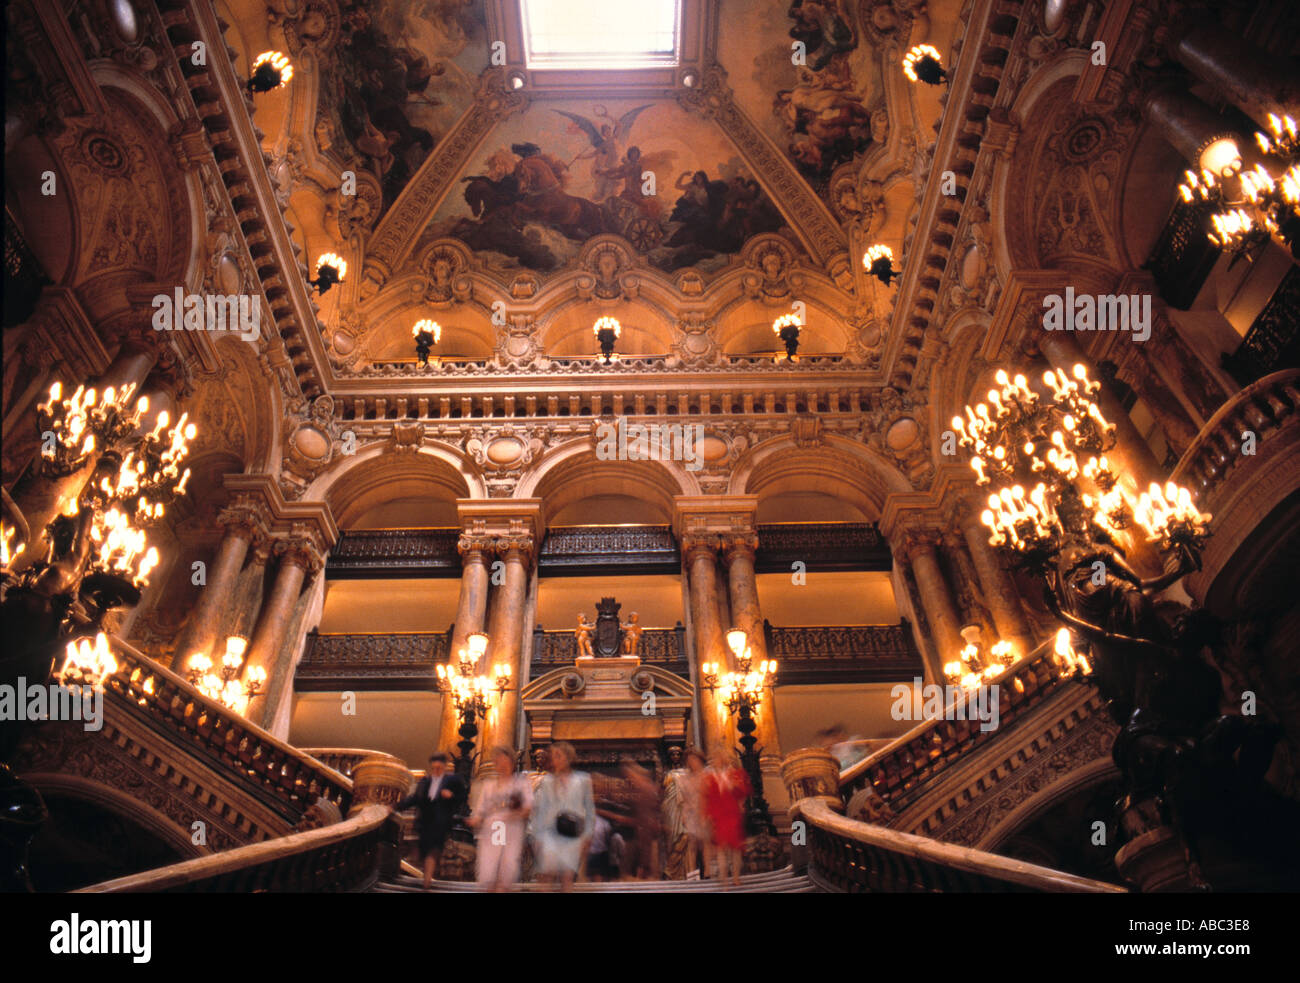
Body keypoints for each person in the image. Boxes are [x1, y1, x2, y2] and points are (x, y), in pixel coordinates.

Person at [393, 752, 466, 889]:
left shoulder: (452, 781)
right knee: (423, 851)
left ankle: (427, 882)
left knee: (433, 850)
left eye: (439, 768)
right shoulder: (424, 782)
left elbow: (462, 797)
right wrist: (396, 807)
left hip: (440, 822)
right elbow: (414, 799)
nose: (436, 771)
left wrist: (451, 796)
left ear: (444, 767)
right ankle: (424, 876)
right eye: (434, 768)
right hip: (425, 822)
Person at [529, 741, 595, 891]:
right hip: (549, 832)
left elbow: (589, 810)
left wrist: (588, 835)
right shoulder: (547, 781)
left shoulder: (583, 780)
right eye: (553, 756)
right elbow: (541, 811)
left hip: (572, 834)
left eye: (558, 755)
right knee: (546, 875)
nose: (555, 759)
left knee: (567, 877)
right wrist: (536, 836)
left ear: (568, 757)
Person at [468, 745, 532, 892]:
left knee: (506, 866)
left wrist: (513, 814)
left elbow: (528, 808)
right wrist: (476, 819)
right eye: (498, 762)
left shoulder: (521, 783)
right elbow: (480, 810)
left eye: (505, 761)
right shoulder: (489, 785)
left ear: (512, 762)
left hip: (512, 828)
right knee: (491, 868)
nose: (502, 765)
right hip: (495, 828)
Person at [703, 749, 751, 888]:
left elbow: (742, 792)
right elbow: (707, 798)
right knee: (721, 848)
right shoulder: (710, 778)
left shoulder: (734, 775)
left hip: (732, 812)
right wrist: (707, 816)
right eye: (713, 759)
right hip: (718, 814)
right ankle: (724, 881)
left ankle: (735, 877)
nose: (715, 761)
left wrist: (736, 790)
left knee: (735, 848)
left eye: (717, 758)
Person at [622, 761, 662, 879]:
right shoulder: (642, 788)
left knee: (645, 854)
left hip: (646, 827)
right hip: (642, 827)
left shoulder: (646, 787)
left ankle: (644, 876)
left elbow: (650, 810)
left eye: (630, 774)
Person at [676, 748, 711, 878]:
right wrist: (684, 815)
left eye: (694, 759)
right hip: (691, 812)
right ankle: (692, 872)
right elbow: (684, 799)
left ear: (700, 759)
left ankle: (707, 871)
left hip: (705, 811)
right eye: (689, 760)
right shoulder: (685, 779)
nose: (692, 762)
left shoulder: (707, 776)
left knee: (705, 842)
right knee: (692, 843)